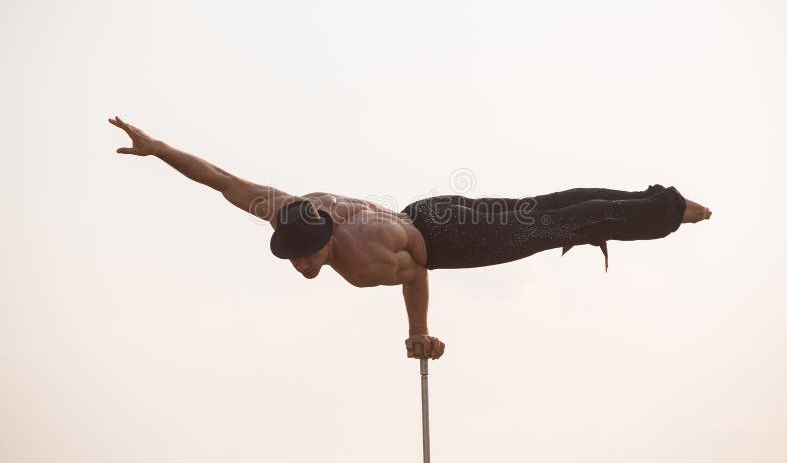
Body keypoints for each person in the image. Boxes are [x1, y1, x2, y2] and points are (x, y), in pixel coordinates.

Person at [109, 116, 712, 361]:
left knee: (561, 222)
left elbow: (419, 270)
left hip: (448, 241)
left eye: (305, 258)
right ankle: (664, 202)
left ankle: (666, 211)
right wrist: (158, 149)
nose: (301, 268)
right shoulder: (287, 209)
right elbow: (219, 181)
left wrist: (417, 331)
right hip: (431, 209)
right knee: (547, 208)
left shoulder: (360, 262)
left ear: (324, 240)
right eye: (292, 259)